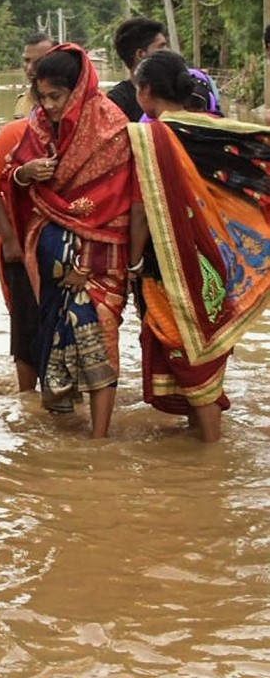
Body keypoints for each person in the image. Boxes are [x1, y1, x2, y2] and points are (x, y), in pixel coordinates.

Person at [127, 50, 270, 442]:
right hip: (215, 259)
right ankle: (203, 449)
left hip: (168, 264)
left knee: (187, 355)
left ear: (146, 92)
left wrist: (133, 264)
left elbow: (140, 211)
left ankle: (212, 452)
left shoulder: (150, 138)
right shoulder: (212, 129)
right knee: (204, 351)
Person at [4, 44, 133, 437]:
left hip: (99, 260)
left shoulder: (111, 127)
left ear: (76, 90)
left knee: (101, 339)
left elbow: (120, 201)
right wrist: (26, 173)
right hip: (51, 259)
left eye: (56, 97)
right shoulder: (39, 125)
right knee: (52, 338)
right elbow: (12, 174)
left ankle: (99, 437)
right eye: (41, 97)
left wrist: (88, 264)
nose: (48, 106)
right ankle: (64, 431)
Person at [0, 113, 39, 392]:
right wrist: (9, 239)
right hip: (22, 247)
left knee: (70, 329)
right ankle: (28, 398)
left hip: (70, 248)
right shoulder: (14, 133)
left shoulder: (83, 134)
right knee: (25, 328)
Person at [105, 17, 168, 121]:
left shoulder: (175, 93)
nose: (168, 52)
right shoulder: (116, 103)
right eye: (161, 47)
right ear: (140, 54)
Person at [13, 33, 55, 119]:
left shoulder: (67, 101)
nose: (30, 68)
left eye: (39, 62)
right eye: (27, 60)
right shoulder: (22, 101)